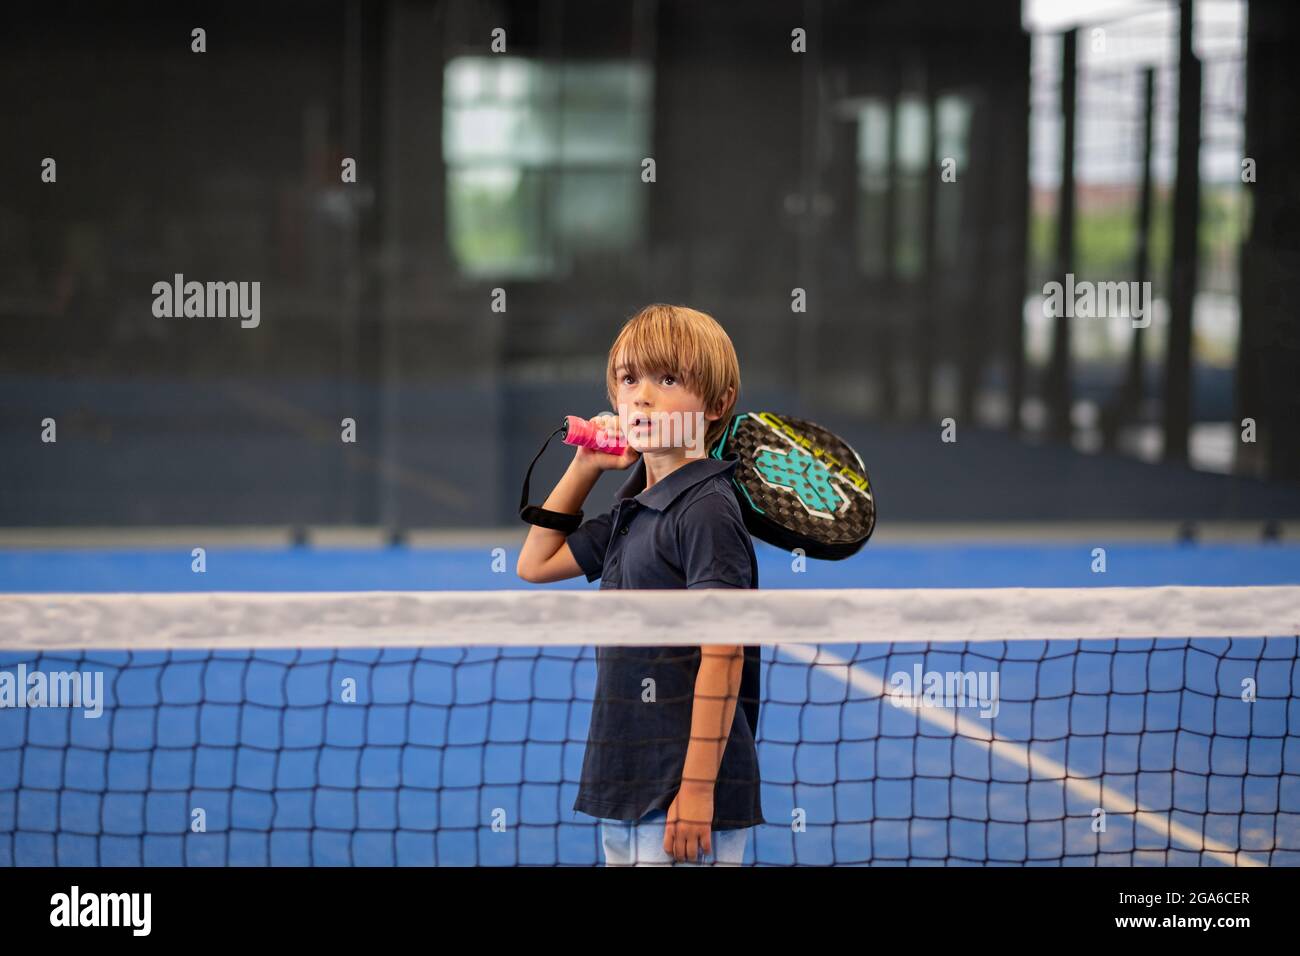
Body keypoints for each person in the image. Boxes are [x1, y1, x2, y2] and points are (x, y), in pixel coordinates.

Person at [517, 303, 763, 866]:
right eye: (629, 380)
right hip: (624, 777)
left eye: (667, 379)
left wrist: (698, 792)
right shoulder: (636, 507)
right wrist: (584, 466)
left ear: (718, 404)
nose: (641, 397)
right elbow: (535, 563)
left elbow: (722, 655)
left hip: (683, 797)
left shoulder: (705, 511)